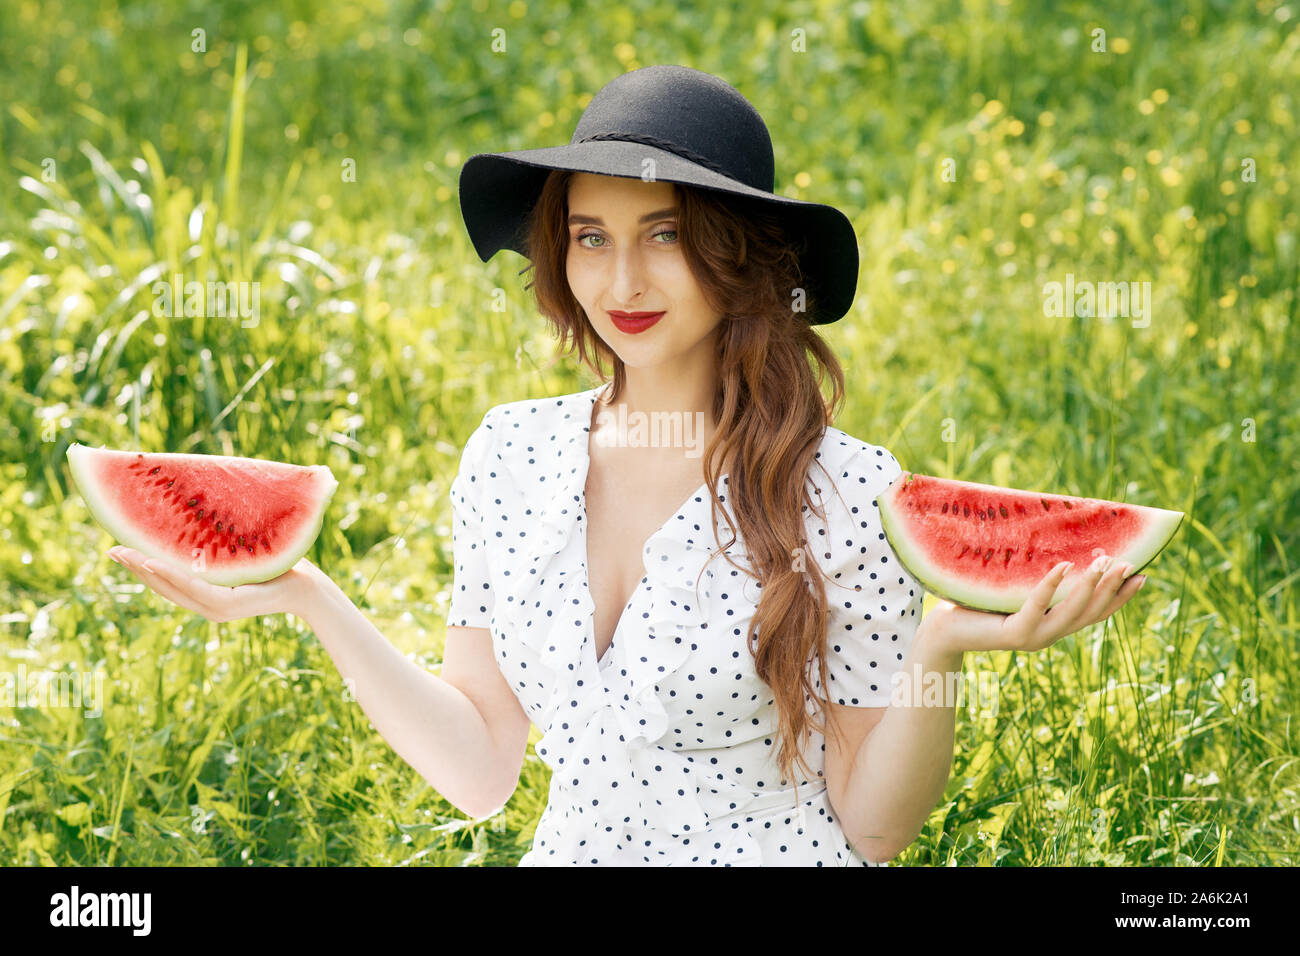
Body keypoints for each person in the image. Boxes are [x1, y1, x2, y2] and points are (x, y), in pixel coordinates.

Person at [107, 65, 1145, 867]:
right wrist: (307, 594)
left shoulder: (844, 487)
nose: (625, 279)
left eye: (666, 236)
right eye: (590, 237)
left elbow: (871, 831)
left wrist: (942, 649)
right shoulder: (509, 454)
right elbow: (479, 769)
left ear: (741, 255)